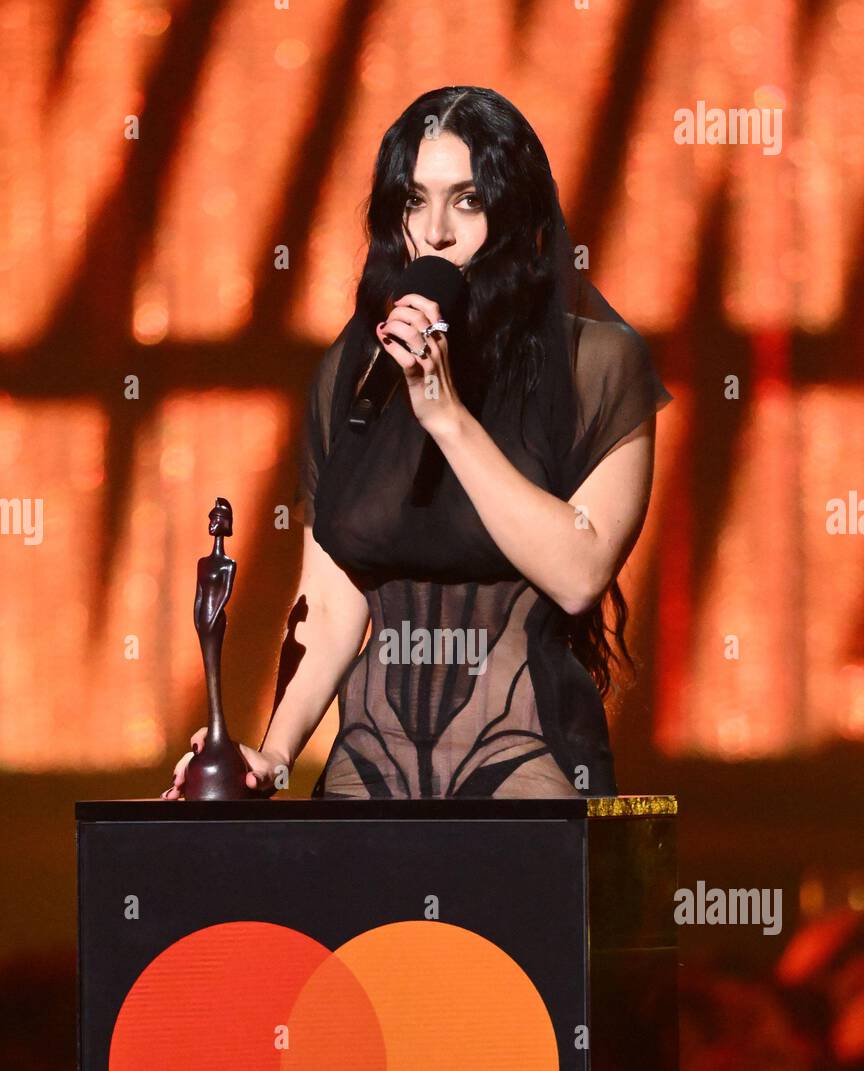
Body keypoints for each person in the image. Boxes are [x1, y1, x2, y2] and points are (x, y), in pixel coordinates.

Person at [164, 85, 672, 802]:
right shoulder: (354, 373)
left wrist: (448, 419)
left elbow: (580, 573)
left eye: (467, 199)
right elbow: (332, 604)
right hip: (366, 776)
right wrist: (272, 756)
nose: (434, 231)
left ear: (516, 209)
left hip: (527, 769)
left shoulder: (595, 364)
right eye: (413, 199)